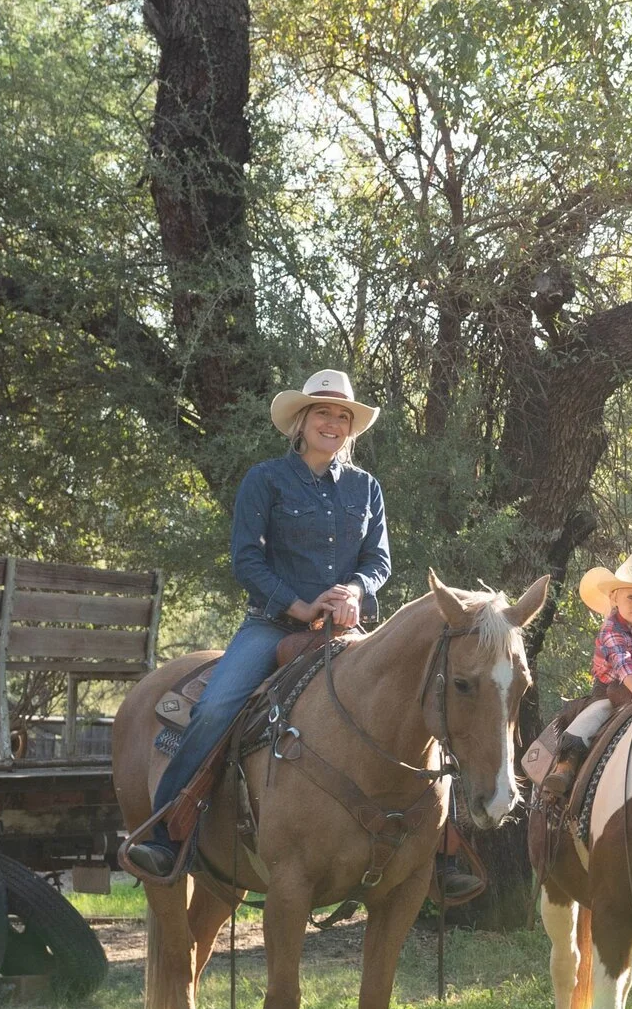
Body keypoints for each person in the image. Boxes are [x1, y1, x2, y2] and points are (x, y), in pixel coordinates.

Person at [127, 371, 471, 899]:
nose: (332, 423)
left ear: (351, 428)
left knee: (424, 701)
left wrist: (354, 590)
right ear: (301, 422)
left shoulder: (365, 487)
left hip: (347, 629)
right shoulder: (265, 480)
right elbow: (247, 559)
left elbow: (378, 560)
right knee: (215, 709)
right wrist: (299, 604)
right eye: (322, 413)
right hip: (273, 626)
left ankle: (443, 848)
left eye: (342, 416)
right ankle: (168, 834)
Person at [527, 553, 632, 829]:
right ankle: (565, 768)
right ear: (615, 598)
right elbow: (621, 662)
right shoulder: (611, 629)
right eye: (631, 597)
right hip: (612, 690)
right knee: (586, 723)